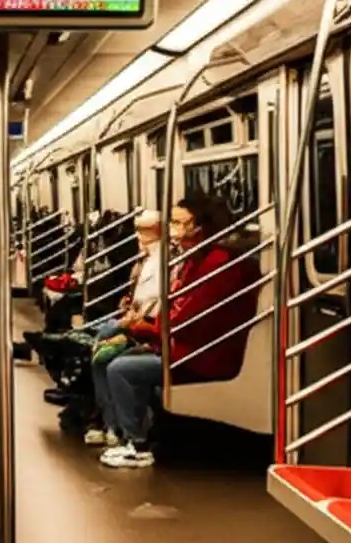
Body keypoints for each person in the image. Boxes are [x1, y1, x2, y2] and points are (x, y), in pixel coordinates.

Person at [93, 195, 261, 469]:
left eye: (178, 222)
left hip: (203, 355)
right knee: (118, 351)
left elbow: (188, 315)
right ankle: (127, 430)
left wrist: (151, 329)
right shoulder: (199, 259)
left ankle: (137, 444)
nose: (173, 229)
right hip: (187, 345)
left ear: (200, 226)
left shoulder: (218, 266)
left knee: (120, 368)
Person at [85, 209, 163, 447]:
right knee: (97, 342)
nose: (139, 236)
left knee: (103, 353)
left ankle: (116, 427)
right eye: (138, 230)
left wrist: (131, 317)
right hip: (132, 318)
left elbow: (156, 301)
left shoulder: (162, 260)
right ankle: (109, 423)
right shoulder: (145, 258)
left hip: (143, 325)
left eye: (145, 231)